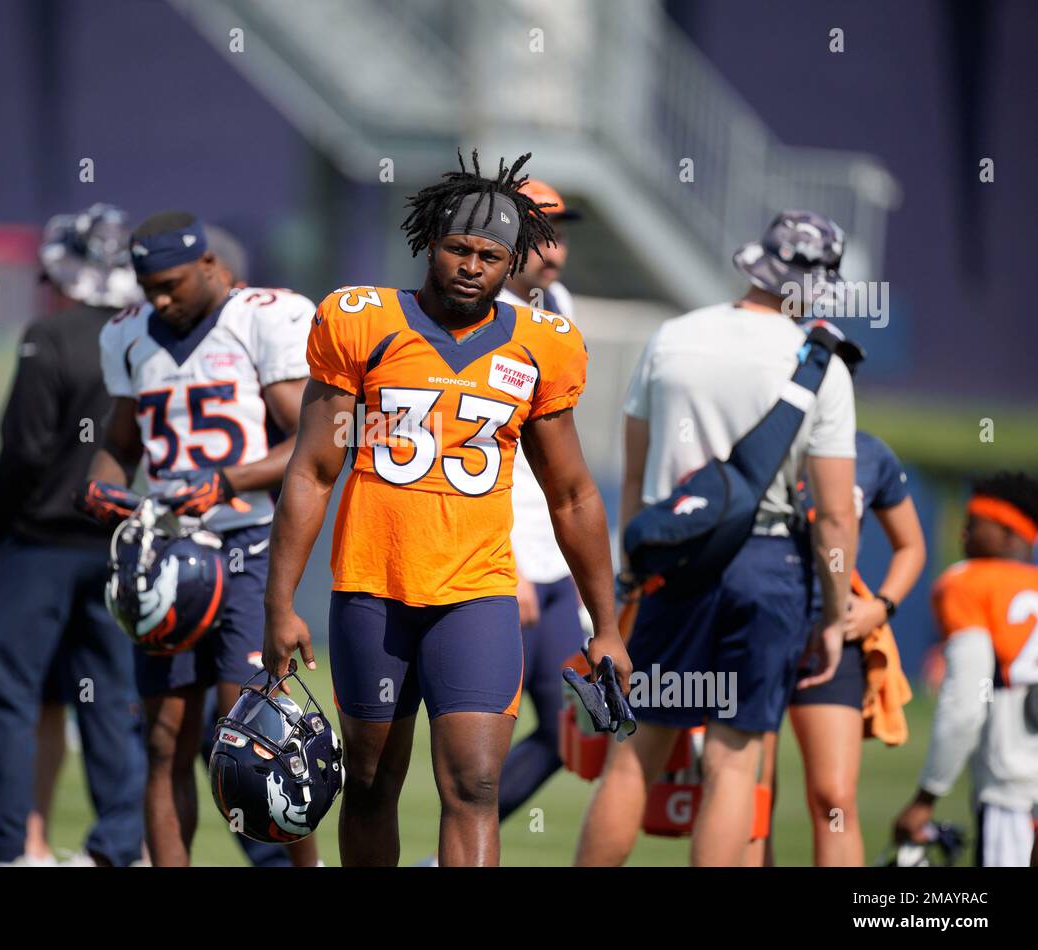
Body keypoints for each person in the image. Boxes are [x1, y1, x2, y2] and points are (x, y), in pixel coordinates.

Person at [262, 150, 629, 867]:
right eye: (458, 248)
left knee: (476, 783)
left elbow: (573, 493)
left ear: (512, 262)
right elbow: (310, 470)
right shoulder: (362, 321)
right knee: (368, 783)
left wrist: (606, 626)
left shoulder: (543, 344)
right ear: (430, 241)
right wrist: (280, 605)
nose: (471, 266)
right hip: (374, 588)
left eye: (489, 256)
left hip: (478, 594)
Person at [576, 210, 858, 867]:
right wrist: (835, 617)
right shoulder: (822, 365)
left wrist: (628, 574)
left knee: (632, 759)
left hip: (675, 564)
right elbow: (837, 517)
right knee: (734, 765)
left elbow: (642, 484)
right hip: (767, 566)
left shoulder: (673, 337)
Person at [84, 211, 319, 867]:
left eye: (173, 284)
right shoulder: (129, 335)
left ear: (212, 267)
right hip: (165, 552)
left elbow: (311, 439)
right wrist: (102, 485)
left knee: (255, 736)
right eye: (148, 286)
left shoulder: (260, 318)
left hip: (247, 544)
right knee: (164, 742)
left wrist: (226, 482)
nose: (160, 299)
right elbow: (118, 443)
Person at [0, 203, 146, 867]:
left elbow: (21, 452)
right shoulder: (146, 337)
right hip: (120, 550)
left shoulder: (50, 335)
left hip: (38, 548)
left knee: (8, 699)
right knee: (115, 707)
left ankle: (15, 849)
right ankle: (118, 848)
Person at [752, 422, 925, 866]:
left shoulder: (868, 451)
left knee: (835, 799)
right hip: (757, 627)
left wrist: (880, 607)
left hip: (833, 631)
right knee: (753, 792)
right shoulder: (755, 434)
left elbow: (911, 546)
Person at [495, 179, 589, 821]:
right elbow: (472, 449)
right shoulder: (482, 310)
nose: (553, 250)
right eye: (539, 233)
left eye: (559, 233)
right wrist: (507, 558)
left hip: (555, 558)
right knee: (476, 735)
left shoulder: (558, 303)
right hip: (502, 561)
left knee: (568, 728)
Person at [894, 471, 1038, 867]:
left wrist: (926, 797)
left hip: (1013, 793)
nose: (963, 536)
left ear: (1010, 533)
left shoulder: (968, 584)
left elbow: (966, 706)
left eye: (974, 524)